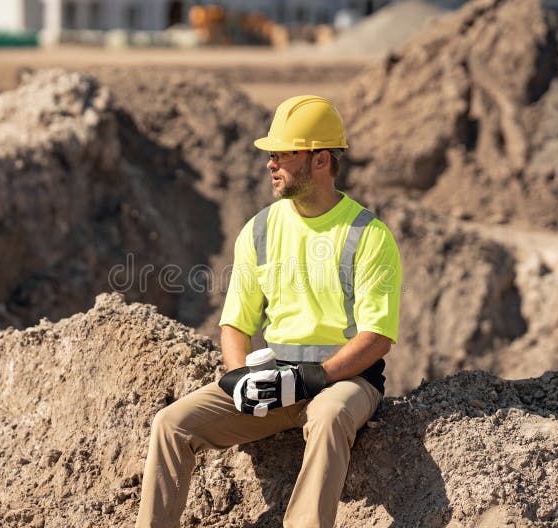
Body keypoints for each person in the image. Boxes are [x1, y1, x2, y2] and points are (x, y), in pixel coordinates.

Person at [136, 95, 402, 527]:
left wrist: (311, 379)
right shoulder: (260, 229)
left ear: (319, 160)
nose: (270, 163)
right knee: (171, 424)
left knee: (330, 416)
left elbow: (377, 337)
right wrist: (240, 376)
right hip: (276, 378)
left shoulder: (368, 235)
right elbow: (235, 324)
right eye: (270, 154)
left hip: (347, 381)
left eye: (282, 153)